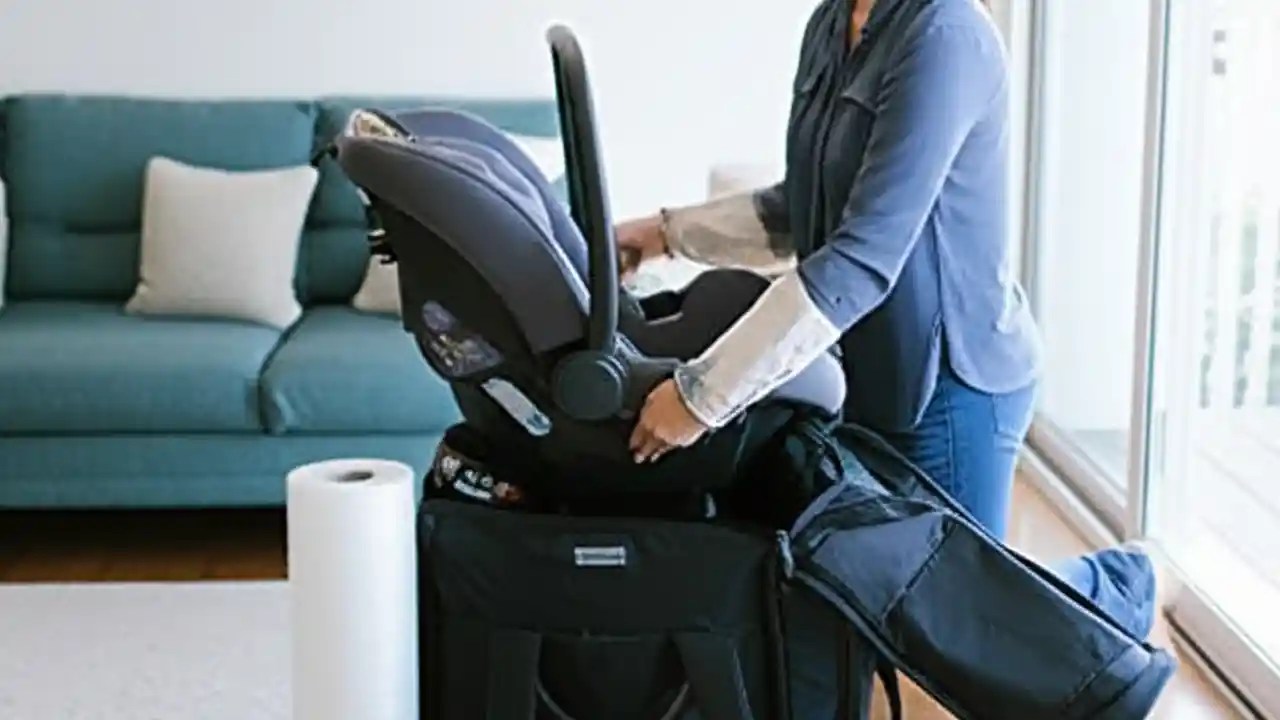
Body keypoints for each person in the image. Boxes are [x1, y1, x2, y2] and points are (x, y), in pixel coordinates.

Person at [617, 0, 1155, 640]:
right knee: (895, 599)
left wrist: (701, 397)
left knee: (965, 616)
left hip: (953, 387)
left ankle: (1130, 582)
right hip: (873, 367)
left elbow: (860, 259)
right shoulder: (832, 23)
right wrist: (662, 234)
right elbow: (798, 209)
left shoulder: (946, 36)